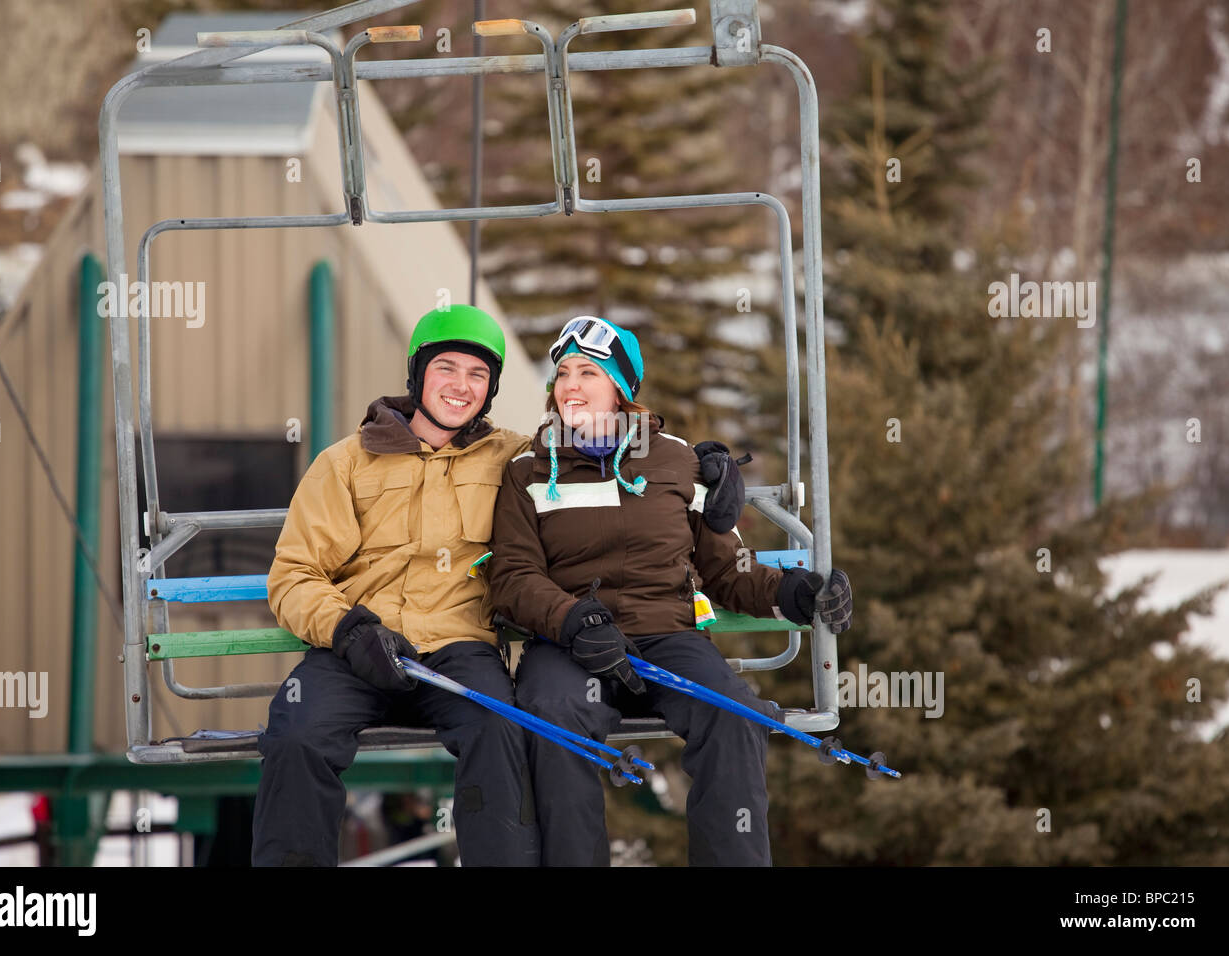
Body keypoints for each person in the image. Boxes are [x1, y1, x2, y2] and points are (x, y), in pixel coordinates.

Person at [251, 305, 746, 866]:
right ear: (417, 374)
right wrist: (347, 629)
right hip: (360, 648)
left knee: (502, 729)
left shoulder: (515, 459)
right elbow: (293, 575)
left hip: (460, 651)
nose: (461, 387)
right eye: (448, 368)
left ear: (490, 391)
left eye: (478, 375)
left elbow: (600, 447)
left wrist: (704, 465)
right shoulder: (345, 463)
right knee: (295, 736)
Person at [489, 315, 853, 866]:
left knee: (734, 715)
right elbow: (513, 577)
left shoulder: (676, 460)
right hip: (571, 644)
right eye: (562, 373)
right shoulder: (527, 471)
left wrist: (799, 594)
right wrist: (571, 621)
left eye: (588, 372)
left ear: (621, 388)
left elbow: (727, 570)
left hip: (666, 636)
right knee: (553, 714)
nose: (570, 386)